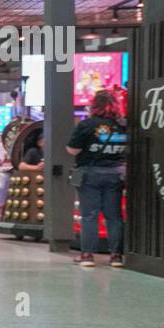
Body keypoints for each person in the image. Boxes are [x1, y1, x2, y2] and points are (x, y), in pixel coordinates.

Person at [66, 89, 128, 267]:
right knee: (114, 216)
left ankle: (87, 255)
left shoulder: (87, 125)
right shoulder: (122, 125)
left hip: (90, 174)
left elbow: (73, 150)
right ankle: (116, 256)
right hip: (116, 174)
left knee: (89, 215)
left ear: (94, 106)